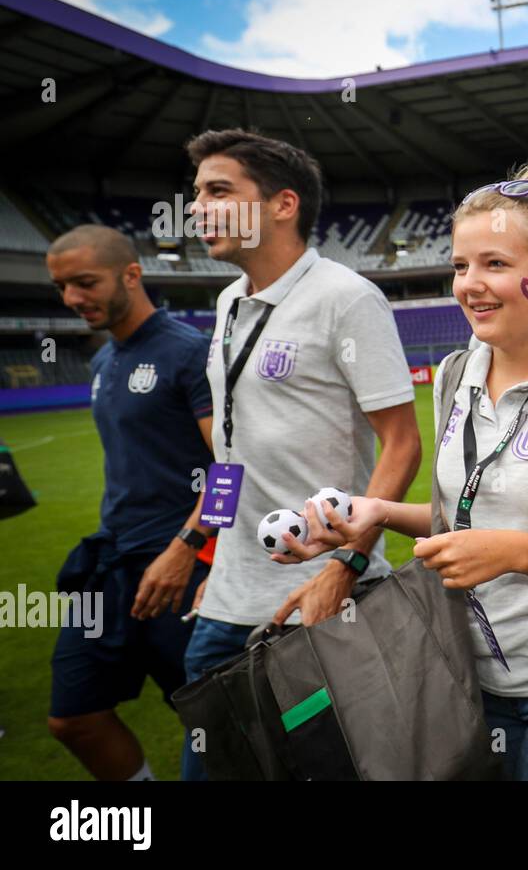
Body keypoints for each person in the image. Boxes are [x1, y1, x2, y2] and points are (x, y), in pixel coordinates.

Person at [281, 160, 528, 780]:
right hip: (467, 678)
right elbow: (462, 520)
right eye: (461, 266)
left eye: (495, 264)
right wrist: (376, 512)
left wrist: (519, 552)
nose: (470, 284)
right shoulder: (455, 374)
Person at [181, 129, 423, 779]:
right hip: (226, 600)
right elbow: (229, 447)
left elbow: (404, 444)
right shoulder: (230, 303)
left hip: (317, 603)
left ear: (283, 204)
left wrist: (347, 560)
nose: (197, 206)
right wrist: (214, 549)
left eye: (218, 190)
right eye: (196, 192)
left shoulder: (346, 298)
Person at [45, 226, 214, 780]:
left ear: (131, 275)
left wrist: (187, 546)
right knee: (73, 718)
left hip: (179, 568)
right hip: (112, 564)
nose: (72, 299)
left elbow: (233, 467)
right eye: (62, 286)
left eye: (85, 282)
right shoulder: (101, 363)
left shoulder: (189, 352)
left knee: (214, 719)